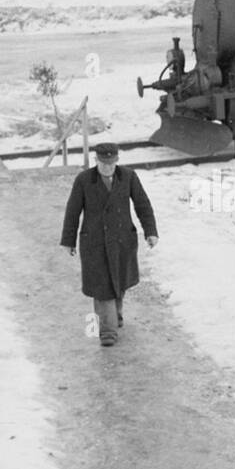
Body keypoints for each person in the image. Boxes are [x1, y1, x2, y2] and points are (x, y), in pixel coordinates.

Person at [59, 142, 158, 347]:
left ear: (117, 161)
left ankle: (115, 316)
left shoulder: (128, 177)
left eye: (111, 164)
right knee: (102, 286)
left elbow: (142, 204)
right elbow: (73, 211)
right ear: (96, 161)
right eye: (103, 164)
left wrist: (151, 232)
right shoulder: (84, 180)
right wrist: (68, 240)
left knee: (119, 282)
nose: (107, 168)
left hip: (123, 241)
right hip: (95, 243)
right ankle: (107, 330)